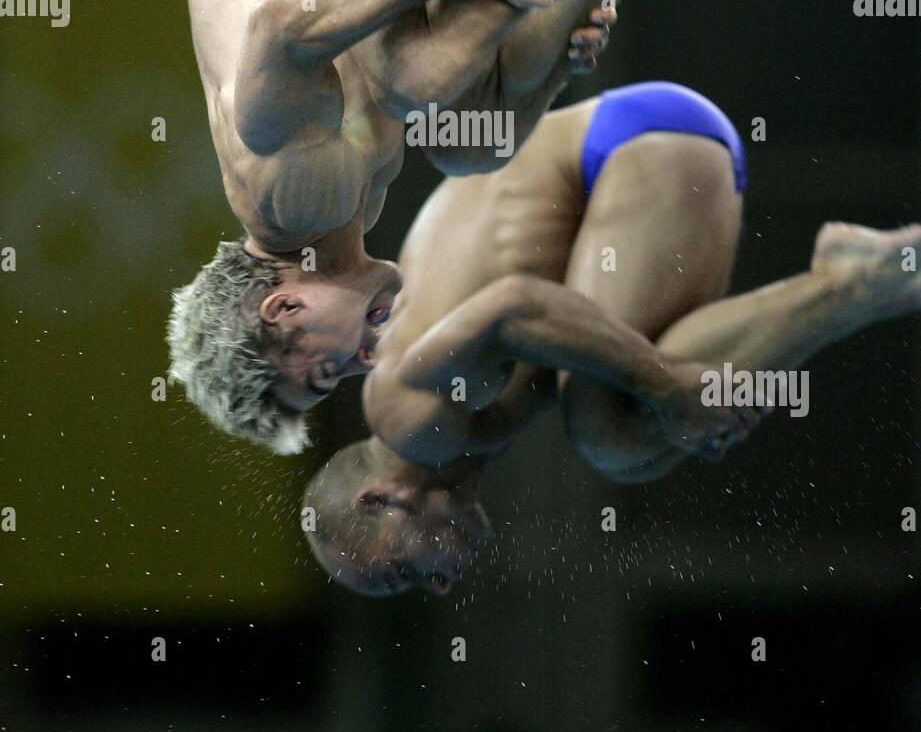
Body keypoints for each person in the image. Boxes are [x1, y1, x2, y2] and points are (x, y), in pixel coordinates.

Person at [168, 0, 788, 452]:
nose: (364, 363)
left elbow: (279, 20)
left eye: (327, 373)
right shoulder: (339, 209)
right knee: (474, 142)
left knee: (414, 76)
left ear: (283, 312)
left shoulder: (284, 197)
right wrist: (555, 56)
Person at [303, 83, 921, 596]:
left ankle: (856, 282)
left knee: (611, 430)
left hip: (631, 148)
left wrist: (673, 386)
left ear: (380, 499)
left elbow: (515, 302)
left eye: (406, 571)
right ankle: (864, 284)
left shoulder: (404, 419)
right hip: (646, 146)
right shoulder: (450, 438)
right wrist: (677, 396)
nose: (439, 584)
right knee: (632, 439)